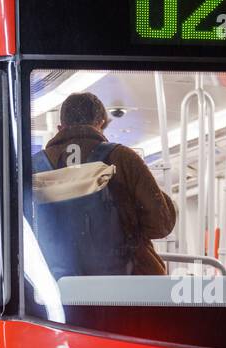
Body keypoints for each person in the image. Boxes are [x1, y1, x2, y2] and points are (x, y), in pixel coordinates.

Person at [36, 92, 176, 275]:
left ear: (60, 127)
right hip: (125, 283)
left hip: (56, 286)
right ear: (101, 122)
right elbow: (160, 224)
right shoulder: (122, 158)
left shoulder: (34, 166)